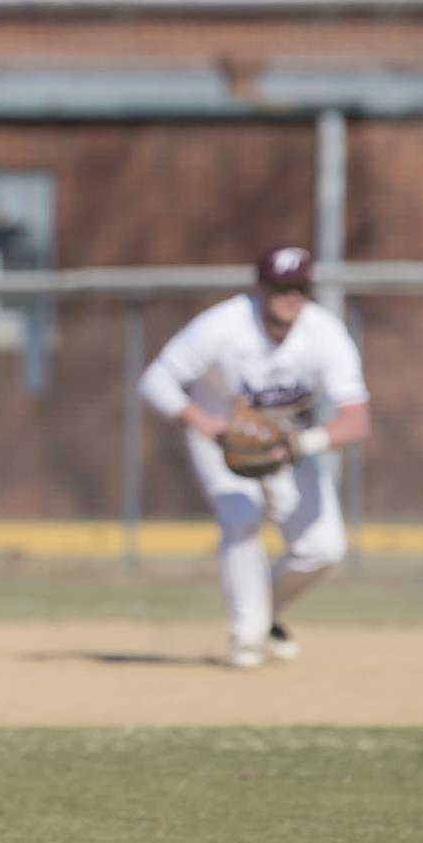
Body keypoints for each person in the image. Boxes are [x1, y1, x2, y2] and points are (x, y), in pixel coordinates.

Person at [138, 245, 371, 669]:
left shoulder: (324, 333)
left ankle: (265, 614)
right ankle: (246, 635)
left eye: (299, 287)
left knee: (324, 548)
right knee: (241, 517)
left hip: (289, 442)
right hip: (223, 440)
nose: (291, 296)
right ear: (259, 287)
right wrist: (203, 422)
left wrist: (299, 445)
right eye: (281, 287)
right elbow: (156, 380)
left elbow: (356, 421)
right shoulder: (224, 325)